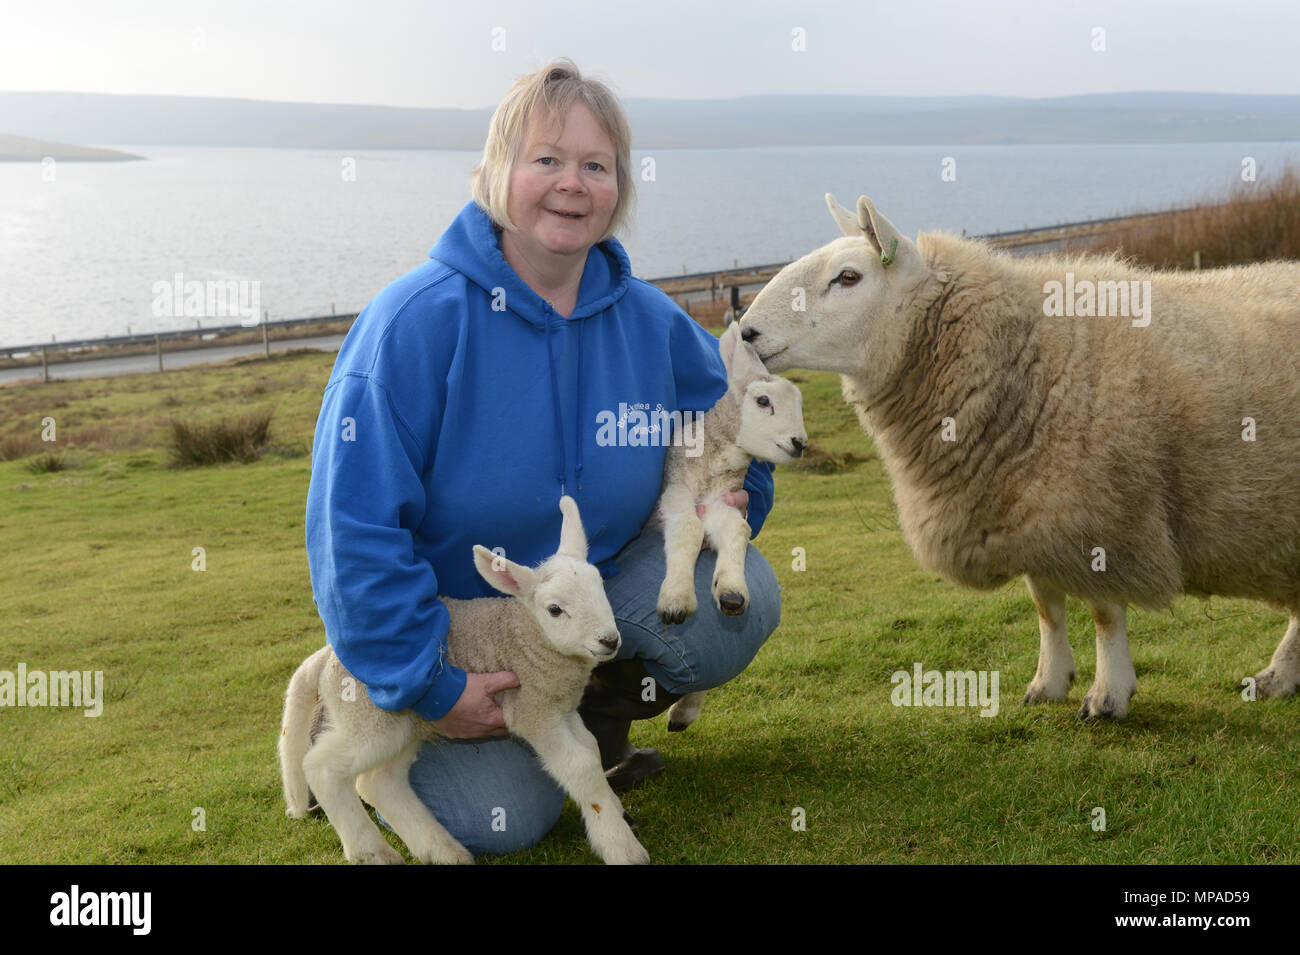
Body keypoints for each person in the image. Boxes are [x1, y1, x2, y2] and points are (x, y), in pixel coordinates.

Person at [304, 58, 781, 856]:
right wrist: (432, 684)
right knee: (503, 819)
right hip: (459, 636)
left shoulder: (648, 319)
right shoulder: (413, 324)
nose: (572, 183)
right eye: (546, 160)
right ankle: (359, 694)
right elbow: (352, 528)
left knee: (743, 600)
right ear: (496, 174)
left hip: (586, 597)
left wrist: (740, 498)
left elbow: (734, 421)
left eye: (596, 165)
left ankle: (595, 712)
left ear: (618, 188)